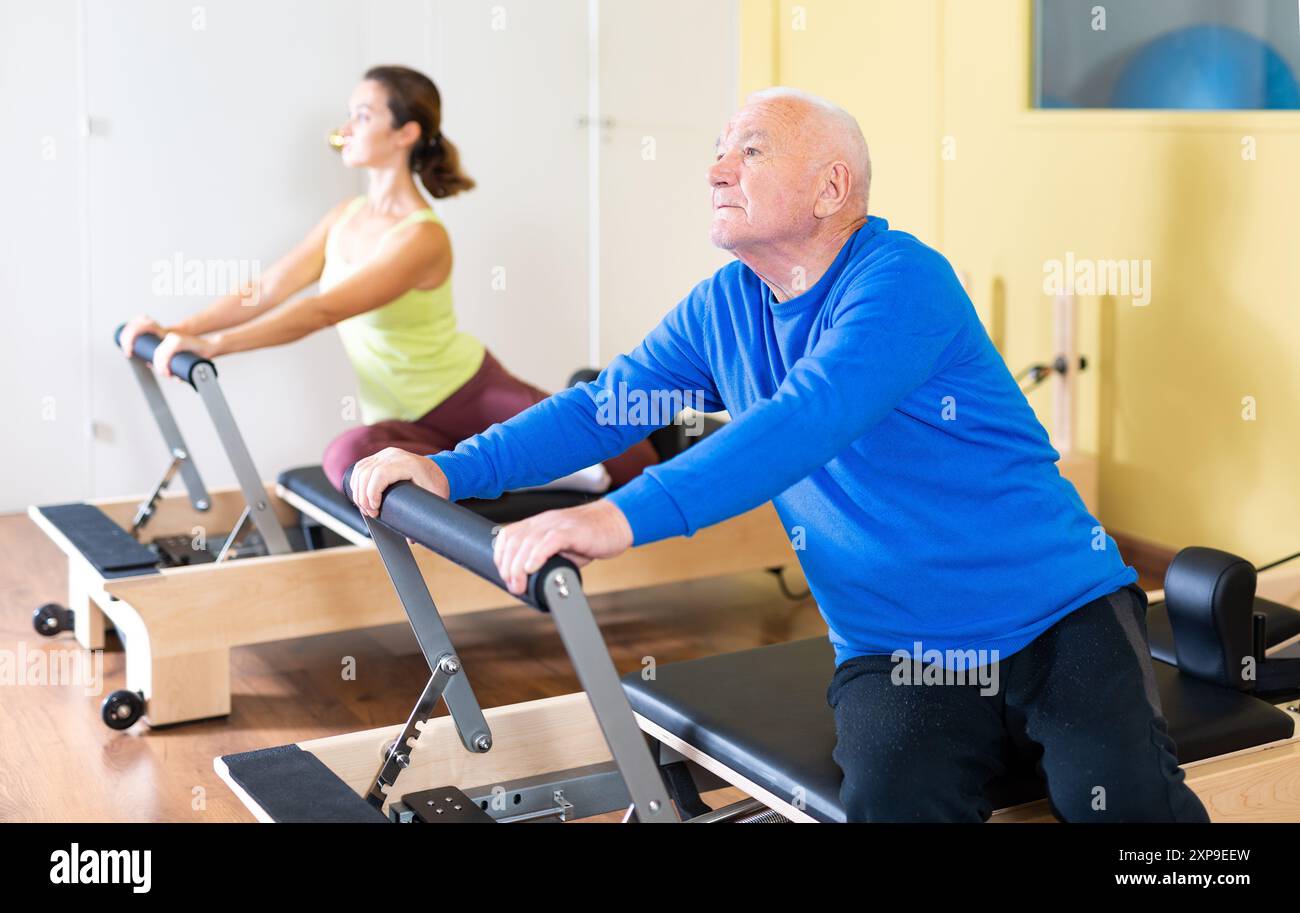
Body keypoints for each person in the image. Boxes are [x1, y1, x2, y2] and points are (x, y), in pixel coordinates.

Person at [348, 87, 1209, 823]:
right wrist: (452, 469)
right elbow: (607, 406)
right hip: (892, 643)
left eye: (749, 151)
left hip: (1059, 613)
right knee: (891, 802)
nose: (717, 168)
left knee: (1122, 803)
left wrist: (618, 516)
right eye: (719, 151)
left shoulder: (902, 281)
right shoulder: (727, 303)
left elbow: (803, 420)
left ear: (831, 186)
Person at [118, 65, 657, 492]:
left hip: (467, 392)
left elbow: (324, 310)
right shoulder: (345, 217)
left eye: (363, 115)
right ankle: (527, 470)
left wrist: (211, 345)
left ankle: (616, 439)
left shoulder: (421, 236)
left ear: (405, 132)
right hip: (405, 424)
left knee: (628, 454)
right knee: (348, 459)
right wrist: (176, 330)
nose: (346, 127)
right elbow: (268, 289)